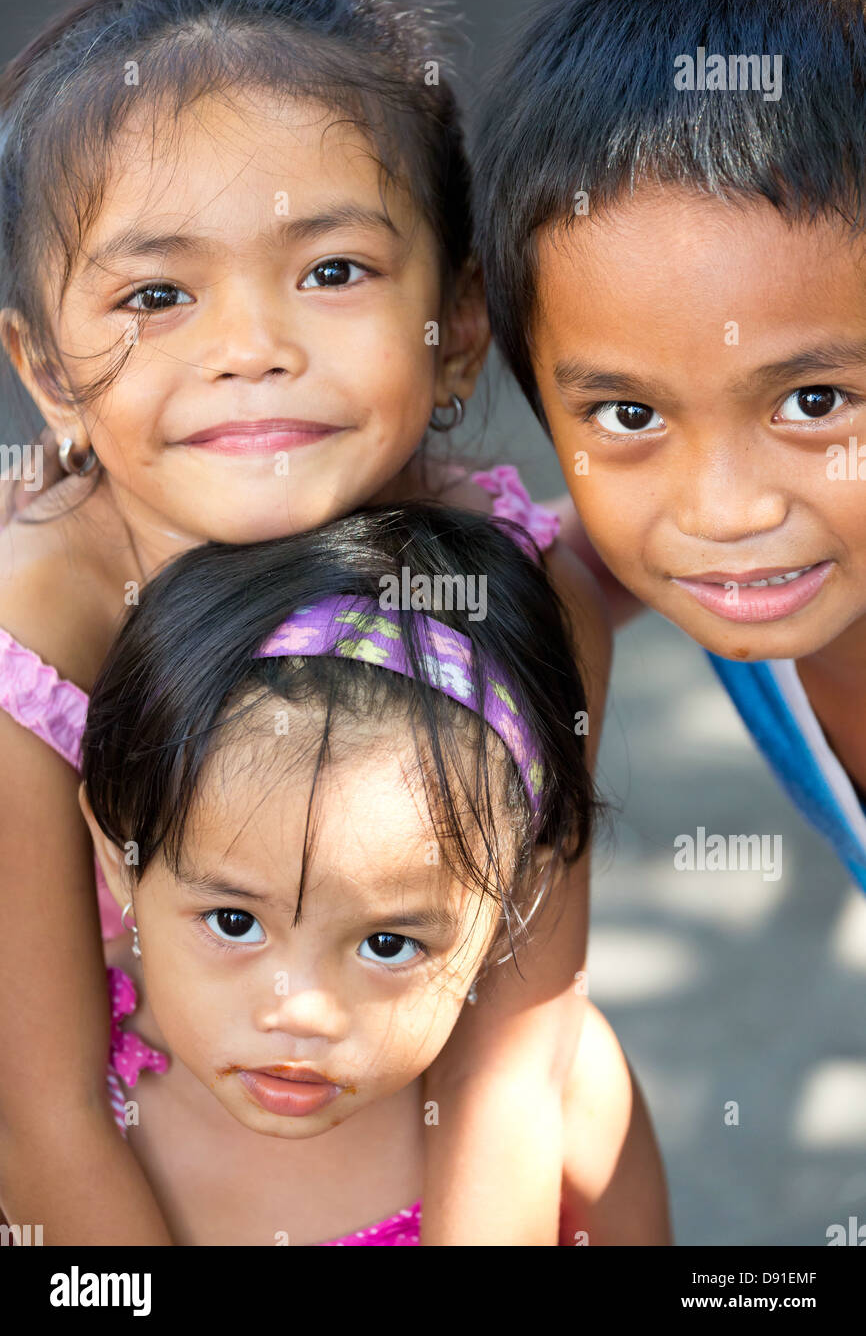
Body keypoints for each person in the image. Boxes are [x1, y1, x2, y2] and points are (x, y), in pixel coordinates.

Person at [0, 0, 610, 1244]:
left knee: (588, 1075)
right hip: (107, 1175)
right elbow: (37, 1117)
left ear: (454, 321)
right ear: (48, 371)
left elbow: (515, 1048)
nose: (251, 347)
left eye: (330, 269)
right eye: (157, 294)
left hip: (370, 1100)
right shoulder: (27, 637)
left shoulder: (506, 578)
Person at [78, 503, 670, 1245]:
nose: (302, 1013)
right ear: (118, 856)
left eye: (389, 944)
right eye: (234, 922)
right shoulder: (60, 1096)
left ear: (510, 902)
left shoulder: (569, 1082)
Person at [473, 0, 866, 893]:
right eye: (630, 413)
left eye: (813, 403)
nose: (722, 512)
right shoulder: (735, 563)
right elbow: (553, 565)